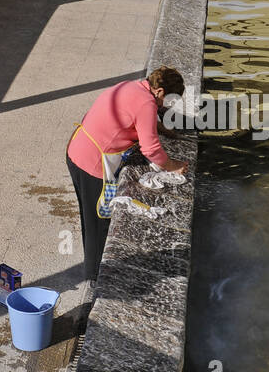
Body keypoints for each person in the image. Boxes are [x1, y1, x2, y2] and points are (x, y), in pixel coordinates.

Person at [66, 67, 189, 282]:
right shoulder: (146, 103)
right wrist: (173, 165)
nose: (165, 106)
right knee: (99, 224)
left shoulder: (131, 87)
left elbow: (139, 119)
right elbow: (151, 149)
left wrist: (162, 129)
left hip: (76, 150)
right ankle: (95, 280)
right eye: (168, 101)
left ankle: (94, 271)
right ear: (160, 91)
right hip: (92, 163)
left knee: (88, 218)